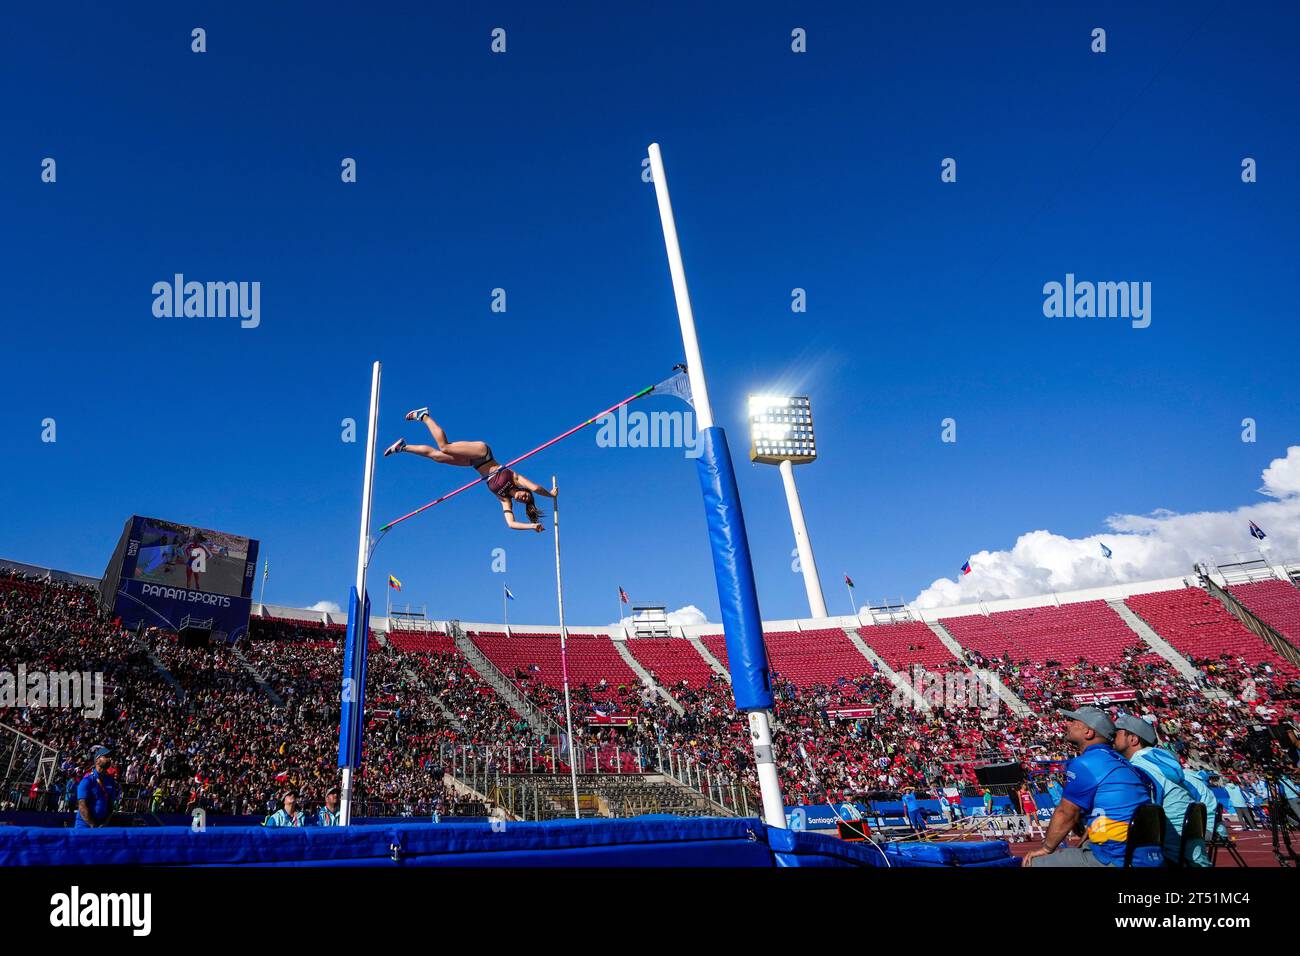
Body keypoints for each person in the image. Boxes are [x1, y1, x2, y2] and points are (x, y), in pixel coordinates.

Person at [1023, 707, 1161, 868]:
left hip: (1118, 856)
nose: (1067, 724)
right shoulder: (1122, 762)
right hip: (1142, 853)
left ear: (1088, 733)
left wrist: (1046, 848)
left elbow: (1067, 813)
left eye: (1074, 722)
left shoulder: (1087, 763)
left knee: (1033, 862)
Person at [384, 409, 556, 532]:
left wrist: (532, 526)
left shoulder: (505, 500)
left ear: (519, 502)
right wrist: (551, 494)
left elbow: (511, 524)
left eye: (524, 500)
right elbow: (535, 488)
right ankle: (424, 416)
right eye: (526, 495)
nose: (524, 496)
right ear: (523, 491)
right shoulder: (516, 478)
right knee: (445, 447)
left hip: (473, 463)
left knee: (437, 457)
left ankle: (403, 447)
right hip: (483, 453)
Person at [1112, 714, 1208, 867]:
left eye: (1116, 733)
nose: (1111, 737)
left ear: (1133, 739)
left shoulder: (1140, 767)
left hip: (1168, 851)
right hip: (1190, 850)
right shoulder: (1159, 760)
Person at [75, 746, 120, 829]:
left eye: (110, 757)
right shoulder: (87, 781)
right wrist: (93, 825)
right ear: (97, 760)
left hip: (102, 826)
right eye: (106, 756)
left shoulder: (111, 781)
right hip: (85, 826)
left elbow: (110, 805)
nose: (110, 759)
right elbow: (82, 806)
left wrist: (105, 823)